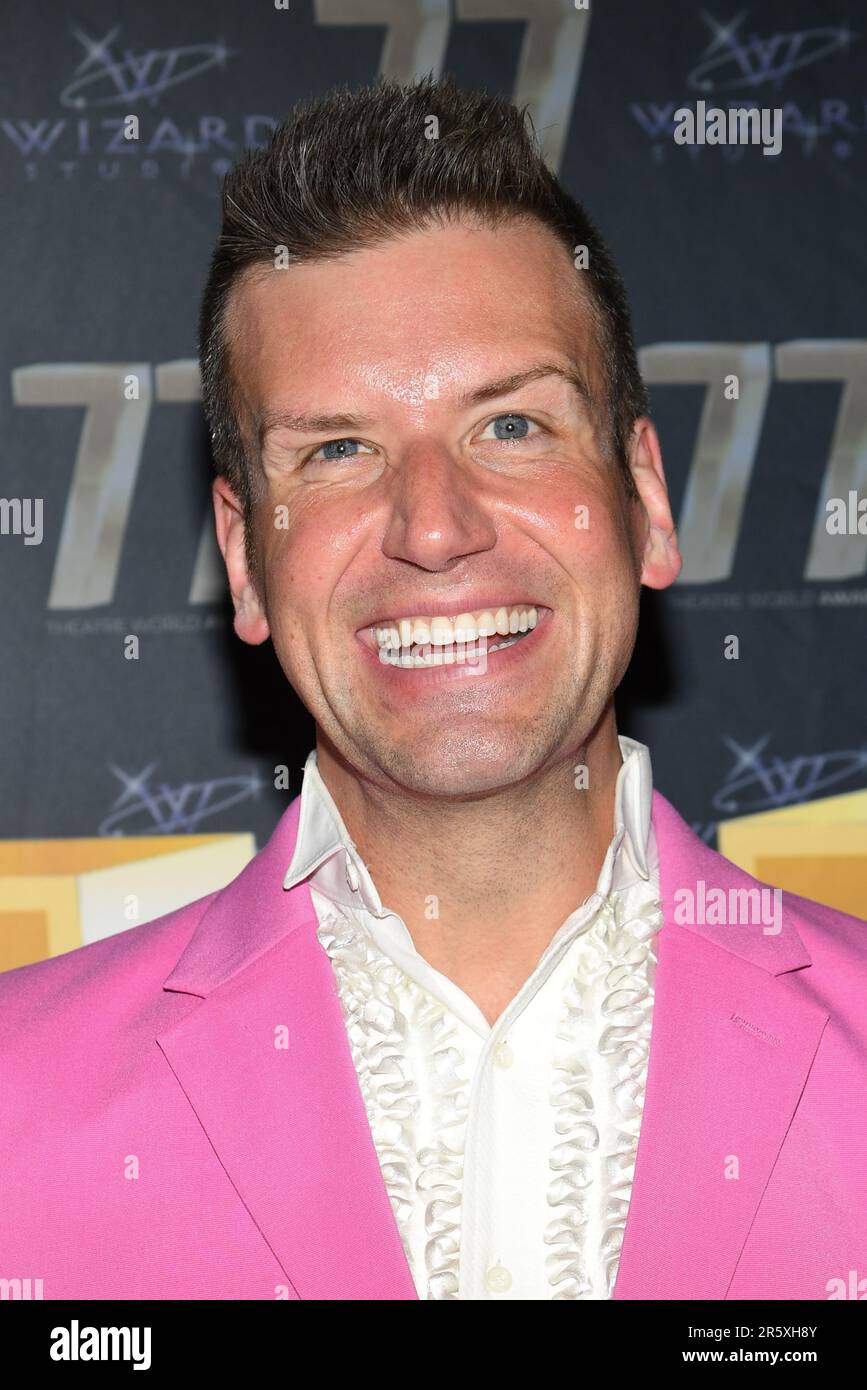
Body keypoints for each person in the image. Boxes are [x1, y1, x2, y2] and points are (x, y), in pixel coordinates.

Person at [2, 75, 865, 1302]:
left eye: (511, 425)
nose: (435, 525)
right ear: (246, 559)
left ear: (649, 503)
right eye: (339, 449)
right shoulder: (13, 1102)